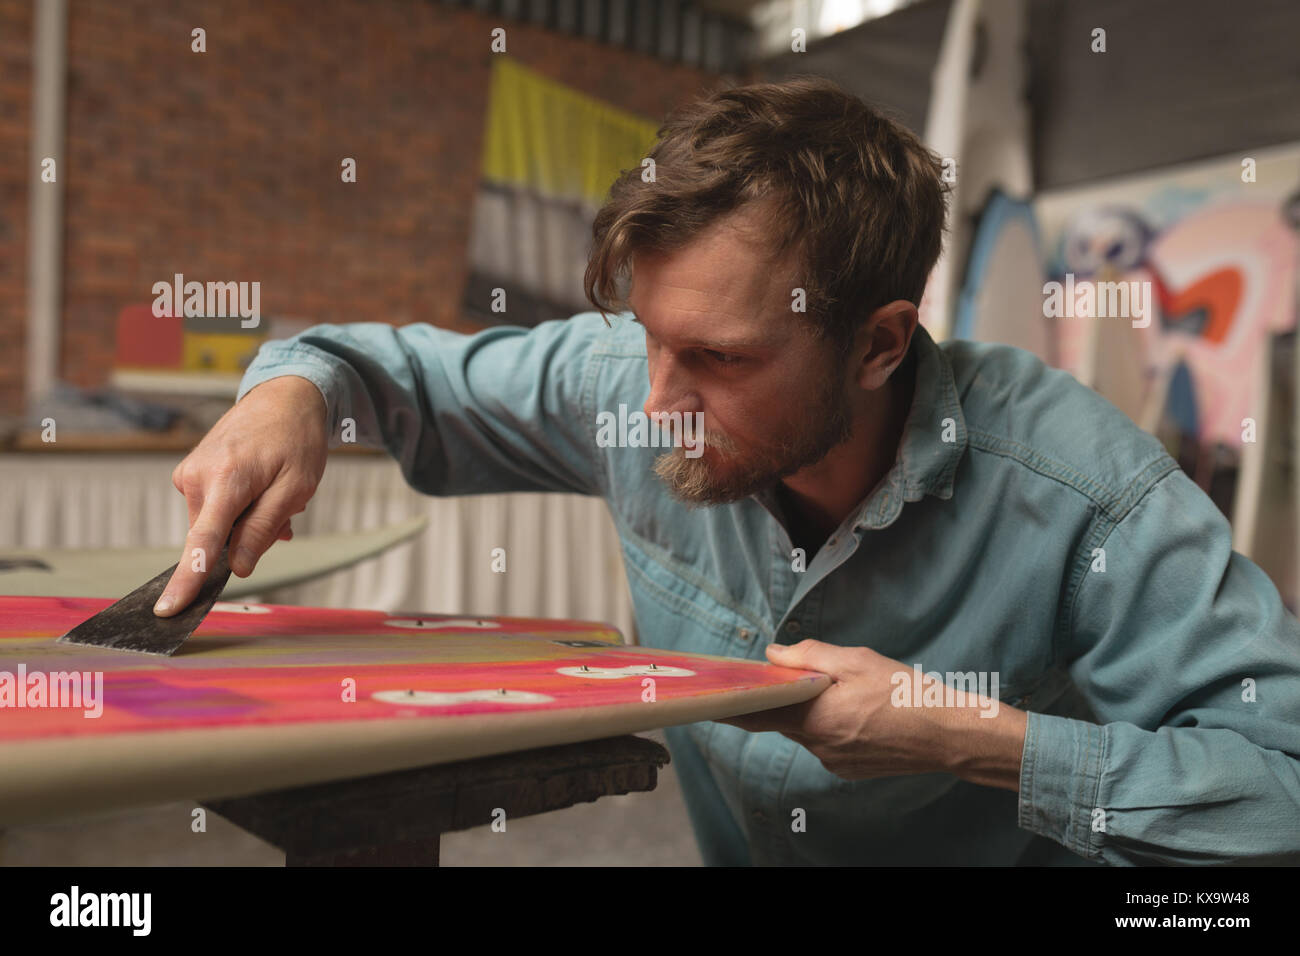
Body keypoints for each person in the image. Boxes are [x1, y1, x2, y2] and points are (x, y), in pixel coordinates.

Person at [155, 76, 1300, 865]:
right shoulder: (632, 382)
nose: (653, 404)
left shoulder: (1083, 489)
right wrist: (289, 395)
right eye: (650, 335)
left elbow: (1281, 788)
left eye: (717, 359)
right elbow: (377, 370)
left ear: (878, 344)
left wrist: (963, 734)